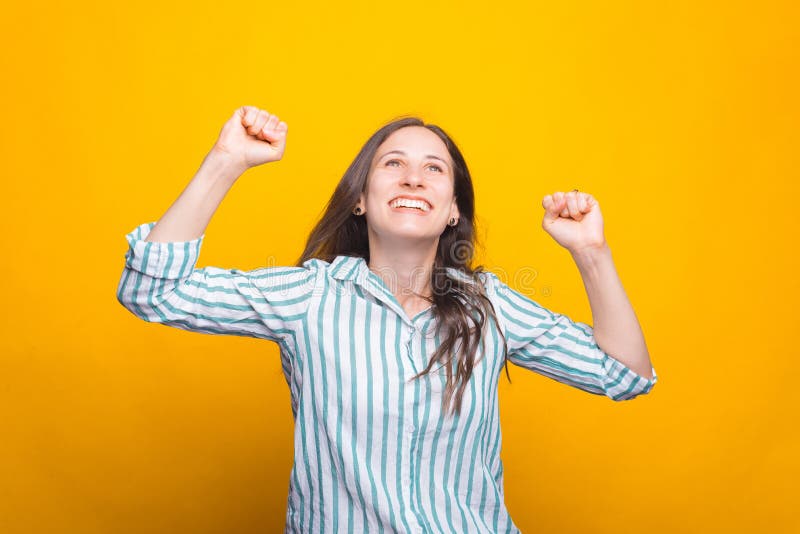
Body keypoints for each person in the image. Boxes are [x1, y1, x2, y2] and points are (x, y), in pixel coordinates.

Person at [116, 105, 658, 533]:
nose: (413, 179)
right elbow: (153, 291)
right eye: (393, 164)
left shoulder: (488, 307)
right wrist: (226, 160)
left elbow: (623, 374)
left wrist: (591, 253)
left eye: (434, 168)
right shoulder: (309, 296)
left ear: (453, 210)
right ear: (360, 199)